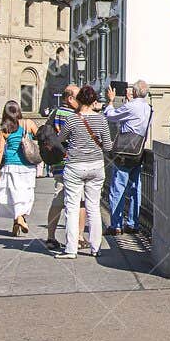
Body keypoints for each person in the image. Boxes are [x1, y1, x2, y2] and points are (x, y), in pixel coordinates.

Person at [56, 84, 110, 259]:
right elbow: (108, 146)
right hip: (96, 166)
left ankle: (71, 249)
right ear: (94, 101)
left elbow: (60, 140)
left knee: (72, 207)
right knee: (93, 207)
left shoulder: (72, 120)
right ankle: (96, 248)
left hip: (75, 166)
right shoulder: (101, 119)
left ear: (79, 100)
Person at [103, 80, 152, 236]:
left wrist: (110, 101)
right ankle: (133, 223)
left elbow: (110, 116)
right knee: (135, 188)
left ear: (135, 92)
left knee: (118, 188)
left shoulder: (131, 106)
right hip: (138, 152)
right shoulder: (149, 108)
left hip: (124, 152)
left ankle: (116, 225)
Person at [0, 100, 38, 237]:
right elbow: (40, 136)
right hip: (27, 166)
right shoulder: (28, 123)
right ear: (18, 110)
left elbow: (0, 151)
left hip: (10, 165)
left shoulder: (4, 130)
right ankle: (20, 218)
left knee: (14, 195)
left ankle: (16, 221)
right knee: (26, 194)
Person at [44, 85, 80, 251]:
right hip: (69, 162)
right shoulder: (70, 115)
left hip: (58, 162)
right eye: (78, 97)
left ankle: (51, 237)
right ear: (70, 98)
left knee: (58, 201)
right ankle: (77, 238)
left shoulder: (55, 112)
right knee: (76, 201)